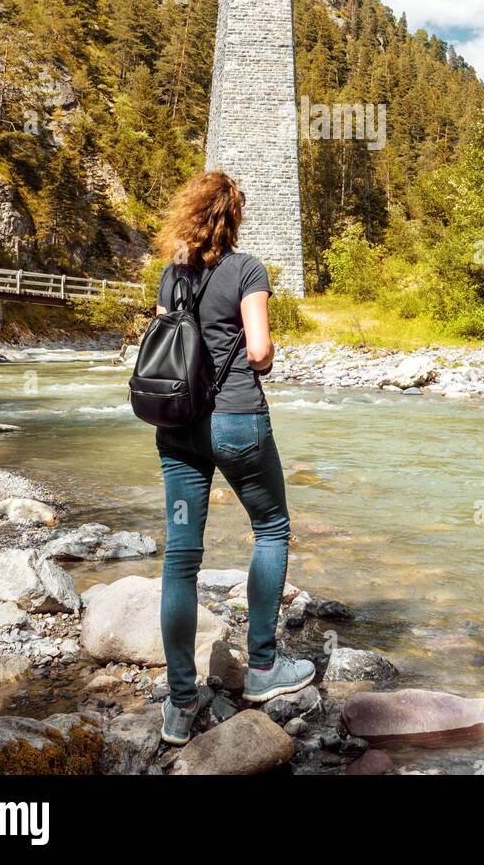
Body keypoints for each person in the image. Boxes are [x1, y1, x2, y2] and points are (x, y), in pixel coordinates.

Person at [153, 169, 315, 745]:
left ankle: (179, 703)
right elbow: (260, 349)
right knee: (271, 527)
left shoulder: (172, 276)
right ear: (233, 217)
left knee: (181, 558)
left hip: (177, 427)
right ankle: (265, 667)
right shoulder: (247, 269)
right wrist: (261, 362)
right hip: (238, 422)